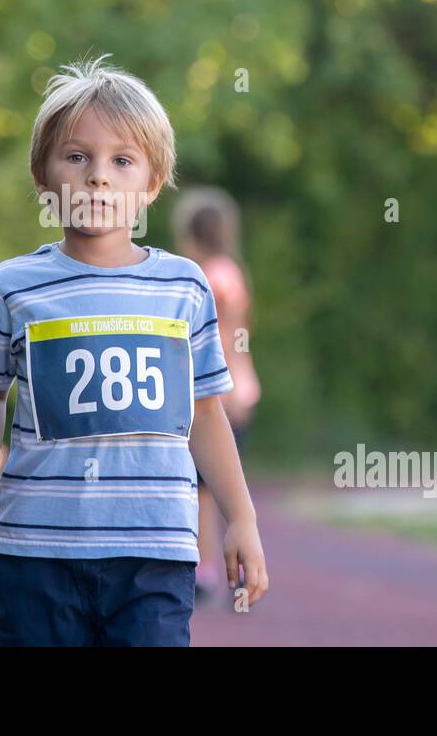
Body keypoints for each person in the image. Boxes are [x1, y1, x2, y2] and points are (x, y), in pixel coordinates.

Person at [0, 54, 269, 646]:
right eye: (77, 157)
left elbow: (204, 414)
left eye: (122, 161)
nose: (99, 176)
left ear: (151, 185)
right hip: (35, 551)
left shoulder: (184, 286)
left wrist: (241, 518)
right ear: (43, 175)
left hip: (155, 552)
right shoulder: (15, 284)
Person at [172, 187, 262, 604]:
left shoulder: (204, 275)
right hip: (234, 387)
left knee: (205, 488)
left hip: (217, 390)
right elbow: (242, 335)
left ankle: (211, 570)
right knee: (218, 486)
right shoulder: (229, 271)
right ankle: (233, 568)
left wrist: (229, 389)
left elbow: (227, 338)